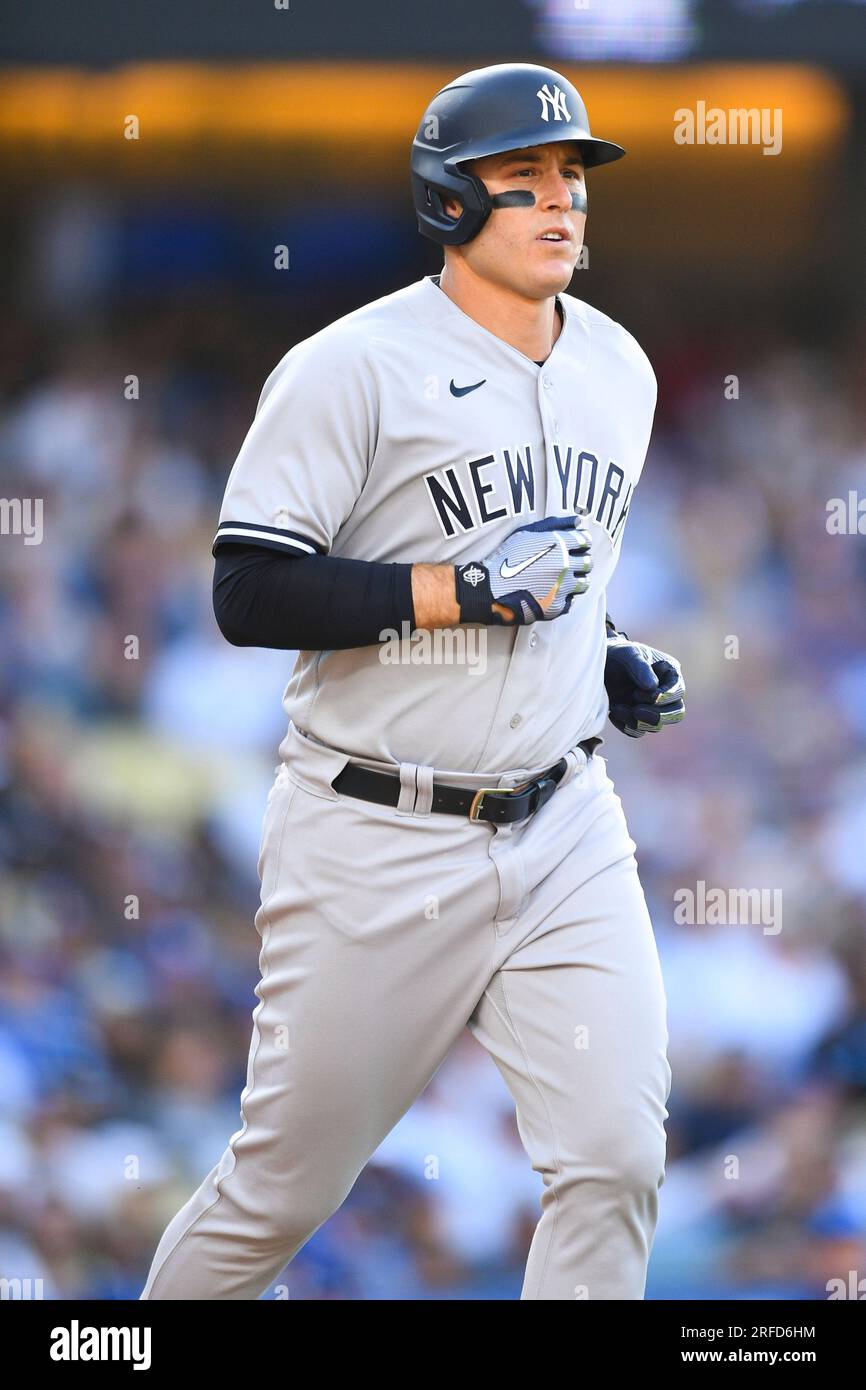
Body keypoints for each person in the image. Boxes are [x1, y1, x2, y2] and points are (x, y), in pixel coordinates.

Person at [140, 61, 685, 1302]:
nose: (560, 203)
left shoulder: (619, 369)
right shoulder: (353, 366)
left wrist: (603, 655)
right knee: (279, 1192)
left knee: (612, 1158)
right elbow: (250, 590)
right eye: (522, 181)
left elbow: (556, 573)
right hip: (374, 834)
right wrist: (456, 591)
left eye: (571, 179)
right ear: (449, 203)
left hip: (561, 830)